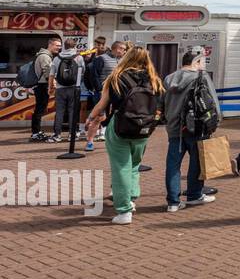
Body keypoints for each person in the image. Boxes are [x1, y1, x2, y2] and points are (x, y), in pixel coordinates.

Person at [85, 46, 165, 225]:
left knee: (120, 166)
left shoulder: (116, 78)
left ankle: (123, 210)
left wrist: (91, 118)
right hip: (144, 128)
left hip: (120, 125)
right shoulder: (154, 79)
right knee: (134, 164)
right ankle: (131, 197)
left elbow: (102, 104)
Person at [162, 47, 222, 213]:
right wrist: (216, 122)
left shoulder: (168, 79)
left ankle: (173, 202)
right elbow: (212, 102)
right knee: (196, 163)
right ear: (196, 62)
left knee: (173, 165)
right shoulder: (201, 78)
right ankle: (194, 195)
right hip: (197, 127)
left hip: (174, 127)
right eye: (202, 62)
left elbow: (162, 103)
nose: (203, 65)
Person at [49, 41, 86, 147]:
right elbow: (83, 71)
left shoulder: (57, 58)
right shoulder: (78, 58)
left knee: (59, 111)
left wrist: (50, 87)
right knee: (72, 111)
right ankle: (71, 134)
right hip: (74, 88)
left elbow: (52, 74)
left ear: (64, 46)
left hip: (60, 89)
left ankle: (57, 135)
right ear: (74, 46)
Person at [28, 36, 60, 142]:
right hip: (42, 85)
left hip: (41, 85)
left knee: (40, 109)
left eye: (60, 46)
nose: (59, 48)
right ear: (50, 45)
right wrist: (52, 85)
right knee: (39, 109)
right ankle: (35, 133)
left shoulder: (45, 55)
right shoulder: (45, 57)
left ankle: (36, 132)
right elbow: (47, 72)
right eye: (57, 45)